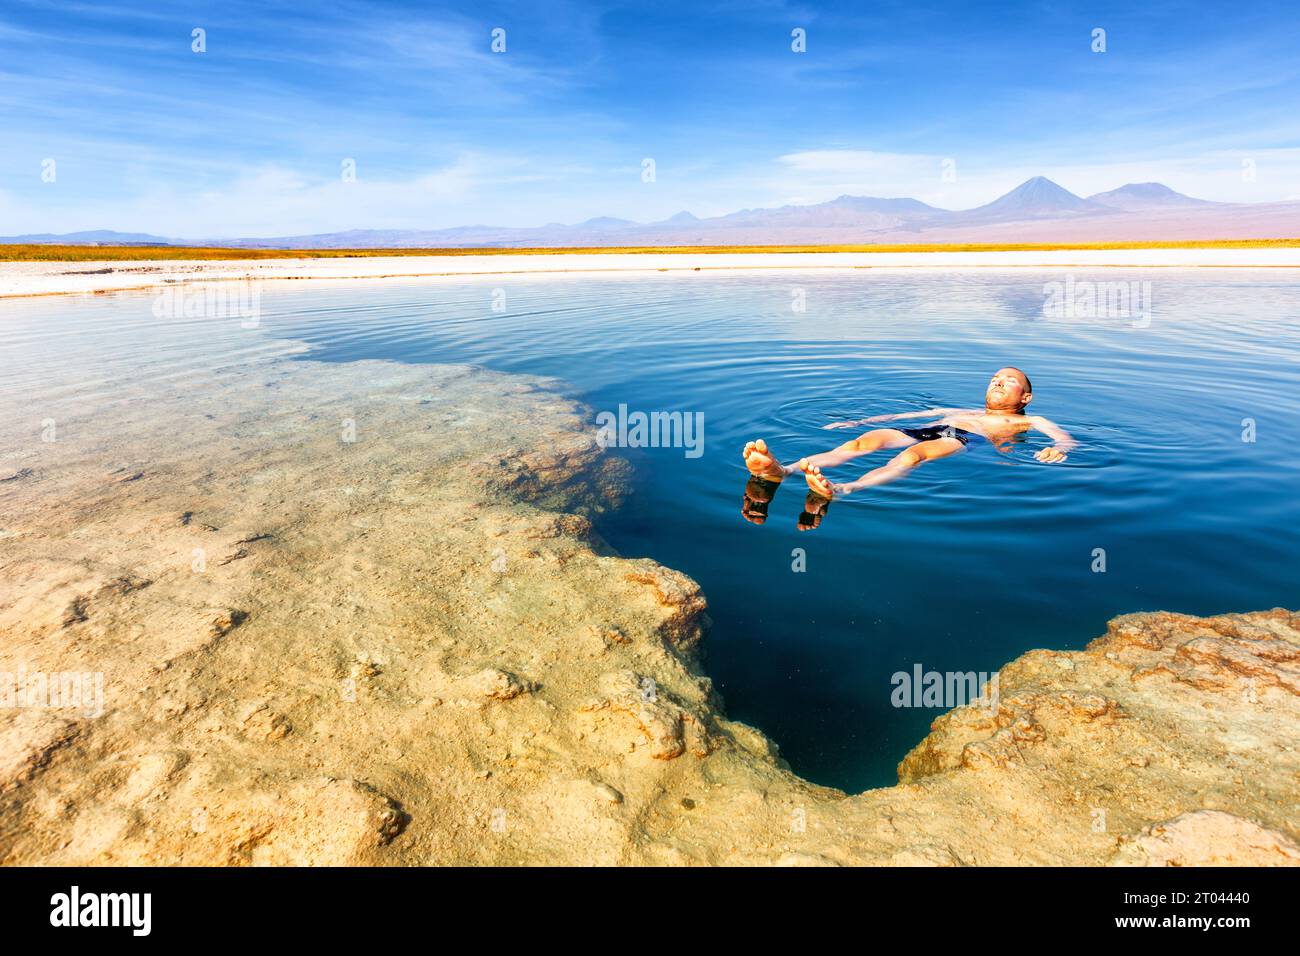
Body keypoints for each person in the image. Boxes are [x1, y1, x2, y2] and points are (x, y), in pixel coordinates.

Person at [741, 368, 1075, 513]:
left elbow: (1065, 440)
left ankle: (846, 489)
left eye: (1009, 380)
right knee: (861, 443)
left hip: (964, 438)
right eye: (995, 378)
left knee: (912, 456)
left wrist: (1056, 448)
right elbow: (903, 417)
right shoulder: (960, 407)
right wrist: (860, 421)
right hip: (927, 427)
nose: (998, 382)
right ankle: (782, 471)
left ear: (1026, 396)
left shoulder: (1033, 420)